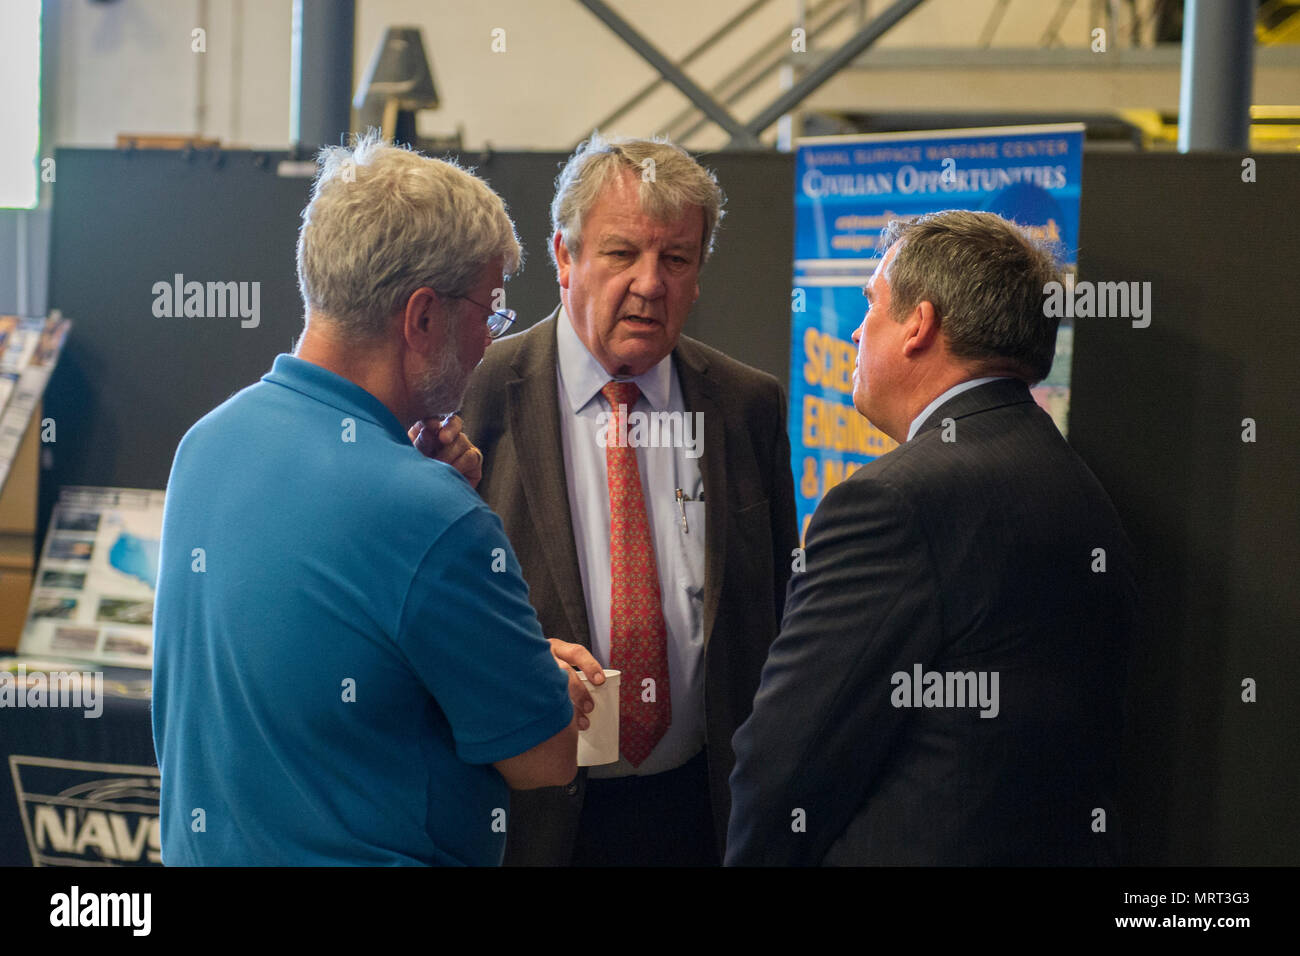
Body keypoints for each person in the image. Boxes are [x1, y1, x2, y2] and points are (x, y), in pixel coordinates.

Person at [152, 132, 592, 866]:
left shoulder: (206, 445)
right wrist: (542, 679)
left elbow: (323, 653)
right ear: (422, 317)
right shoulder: (434, 515)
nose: (490, 339)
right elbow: (544, 757)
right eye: (488, 310)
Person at [726, 210, 1137, 866]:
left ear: (919, 324)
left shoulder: (890, 502)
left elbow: (787, 759)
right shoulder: (1075, 481)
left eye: (871, 304)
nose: (857, 331)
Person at [455, 134, 798, 865]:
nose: (651, 282)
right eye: (621, 253)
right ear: (564, 257)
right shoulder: (476, 393)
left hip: (700, 813)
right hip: (528, 819)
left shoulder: (746, 406)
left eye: (676, 258)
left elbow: (772, 619)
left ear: (698, 274)